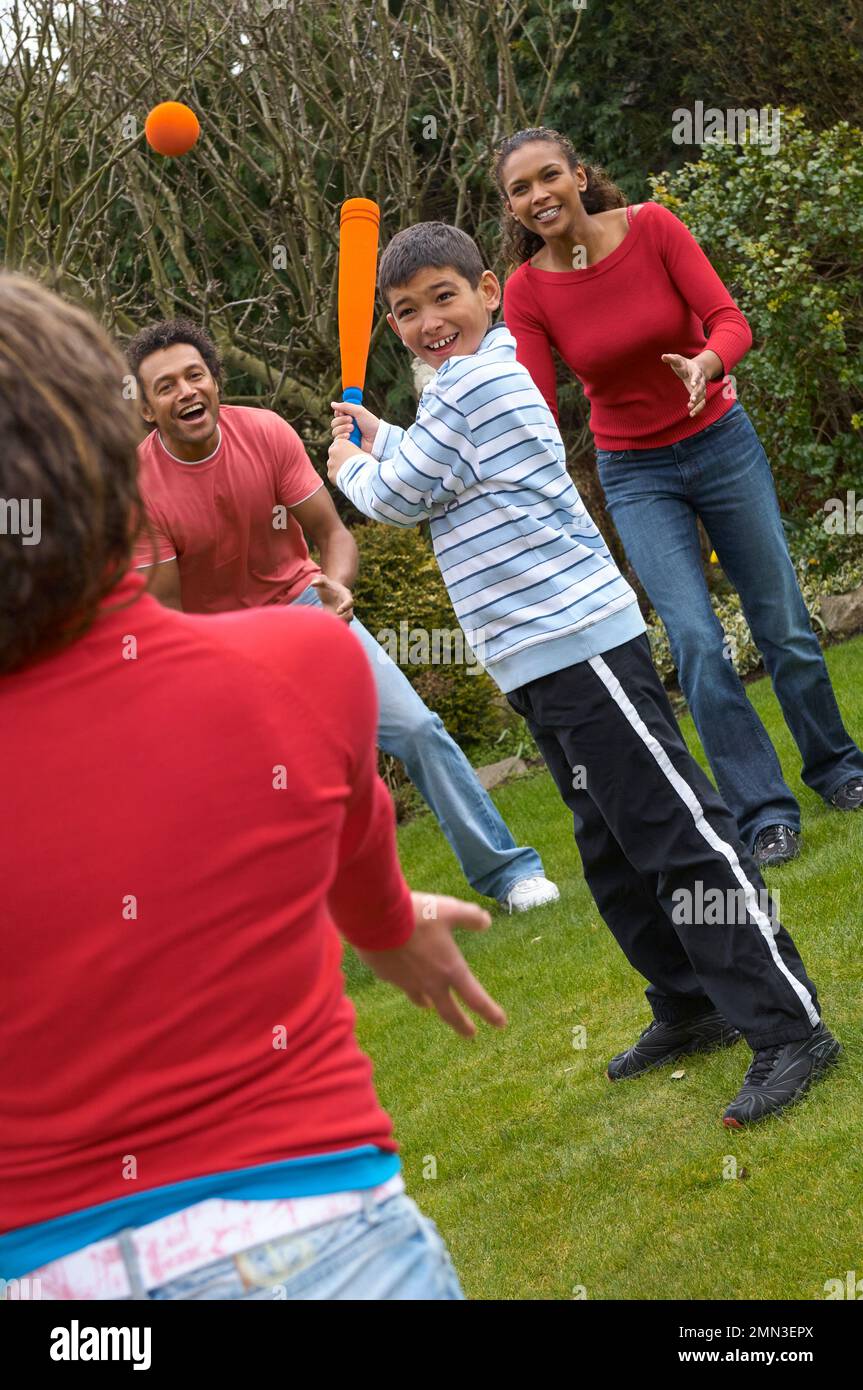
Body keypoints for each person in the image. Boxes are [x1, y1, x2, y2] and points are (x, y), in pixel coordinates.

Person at [0, 270, 507, 1301]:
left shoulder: (295, 629)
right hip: (332, 1244)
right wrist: (388, 924)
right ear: (112, 451)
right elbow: (364, 880)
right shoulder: (302, 669)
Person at [326, 220, 842, 1129]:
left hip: (575, 641)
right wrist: (385, 436)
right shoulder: (456, 396)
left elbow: (400, 495)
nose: (426, 321)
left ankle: (786, 1023)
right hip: (532, 653)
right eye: (404, 312)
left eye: (443, 296)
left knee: (677, 831)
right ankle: (687, 1001)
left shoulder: (478, 379)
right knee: (611, 845)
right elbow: (440, 471)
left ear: (489, 292)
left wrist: (351, 463)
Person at [494, 126, 863, 868]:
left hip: (719, 443)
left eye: (547, 177)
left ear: (577, 173)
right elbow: (534, 406)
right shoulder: (527, 290)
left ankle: (838, 769)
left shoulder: (653, 228)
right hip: (634, 473)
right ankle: (762, 812)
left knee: (782, 622)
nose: (538, 196)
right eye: (519, 189)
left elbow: (731, 322)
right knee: (694, 642)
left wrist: (704, 361)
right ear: (511, 207)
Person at [125, 318, 558, 915]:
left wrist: (335, 586)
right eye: (166, 386)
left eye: (195, 375)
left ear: (216, 381)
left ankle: (511, 875)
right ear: (148, 408)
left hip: (305, 611)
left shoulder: (266, 433)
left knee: (417, 730)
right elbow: (165, 613)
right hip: (217, 647)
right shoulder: (139, 488)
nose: (186, 392)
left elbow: (332, 535)